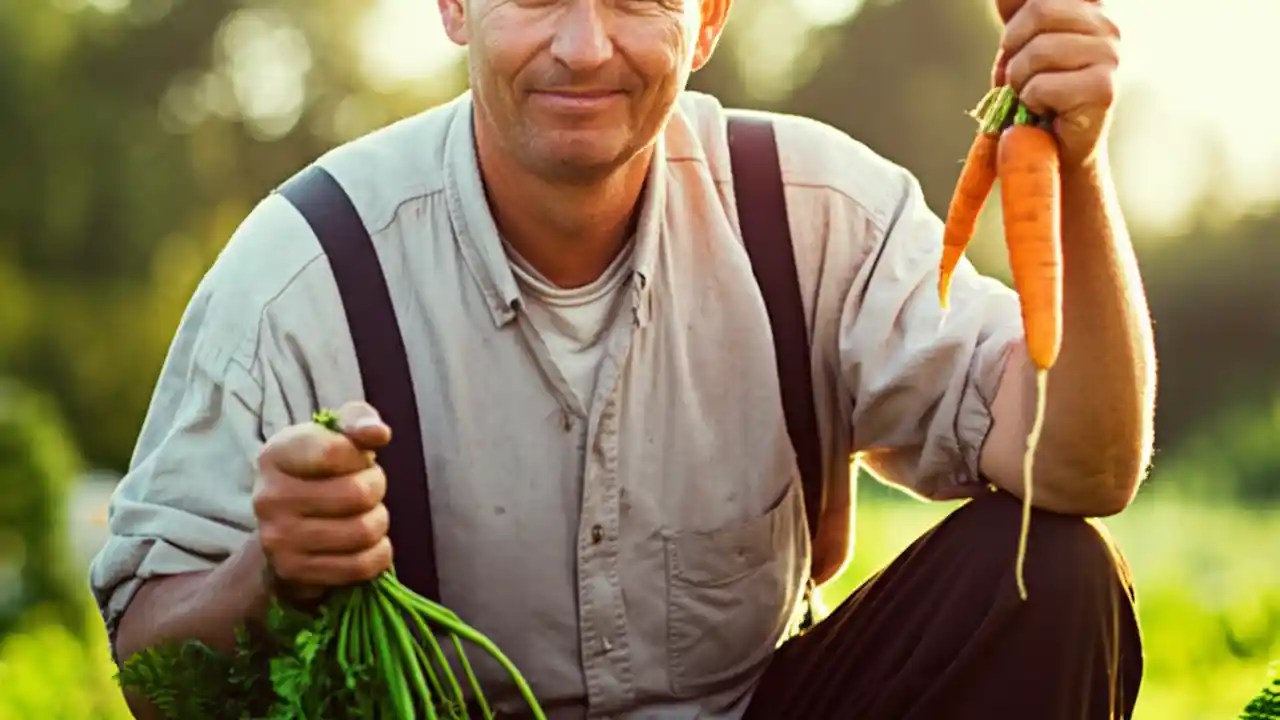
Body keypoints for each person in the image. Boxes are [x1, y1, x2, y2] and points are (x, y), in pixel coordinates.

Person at [90, 0, 1155, 717]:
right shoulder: (307, 266)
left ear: (706, 21)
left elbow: (1079, 467)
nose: (584, 47)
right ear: (456, 4)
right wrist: (265, 574)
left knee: (1051, 577)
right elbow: (152, 662)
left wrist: (1072, 160)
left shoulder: (808, 211)